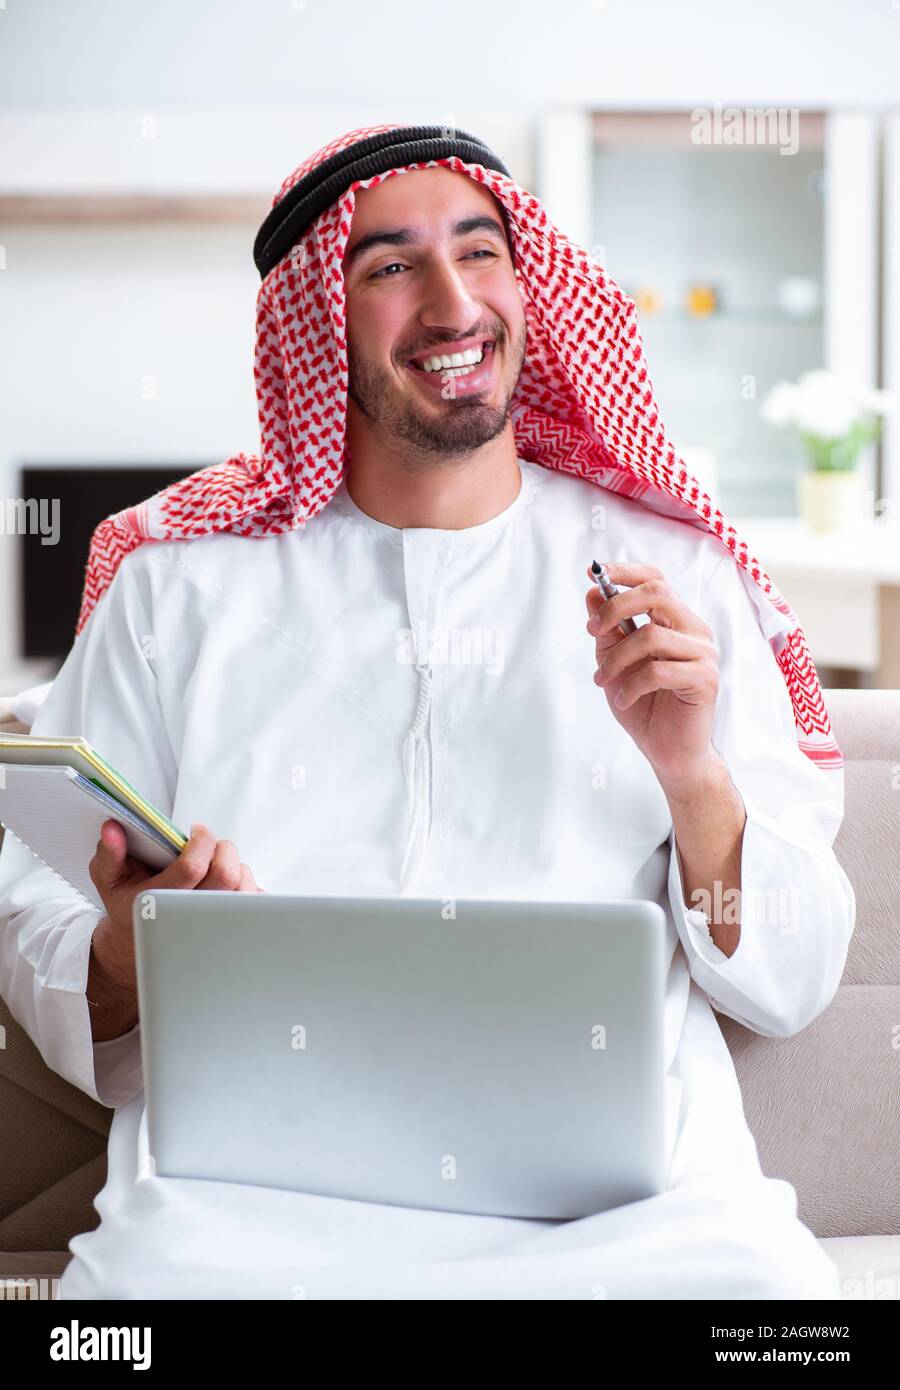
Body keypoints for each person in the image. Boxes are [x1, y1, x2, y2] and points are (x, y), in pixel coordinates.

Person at [0, 124, 854, 1300]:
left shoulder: (675, 580)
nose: (455, 306)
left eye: (481, 250)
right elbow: (36, 910)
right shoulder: (172, 590)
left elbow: (795, 977)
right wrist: (128, 950)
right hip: (238, 1226)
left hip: (644, 1224)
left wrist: (695, 775)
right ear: (317, 325)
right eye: (392, 267)